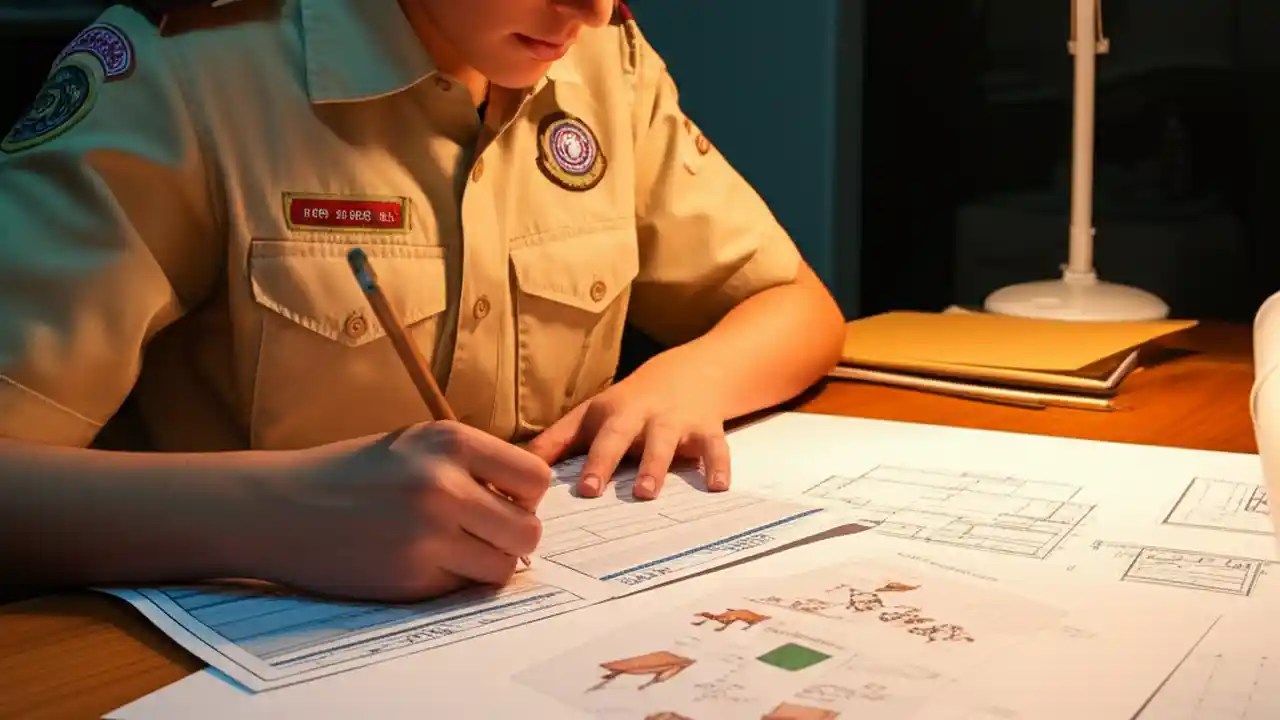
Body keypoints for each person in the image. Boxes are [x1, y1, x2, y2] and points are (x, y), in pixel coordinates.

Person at [0, 0, 846, 602]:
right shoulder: (190, 71)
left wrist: (687, 380)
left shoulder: (599, 60)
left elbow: (793, 303)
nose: (592, 10)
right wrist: (279, 518)